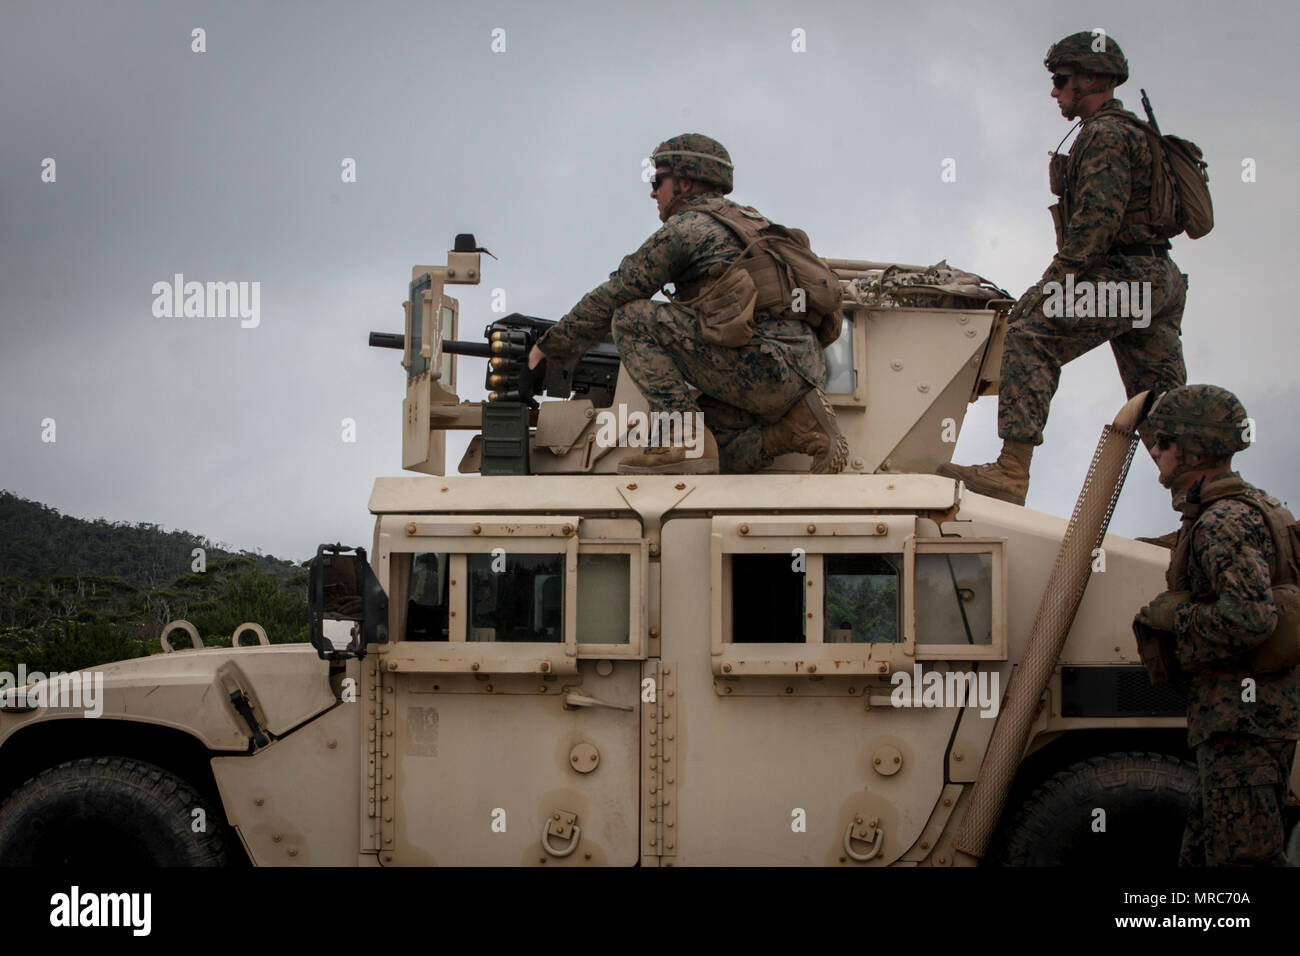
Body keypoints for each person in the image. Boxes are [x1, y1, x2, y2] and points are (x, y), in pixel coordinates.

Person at [939, 31, 1187, 505]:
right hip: (1157, 281)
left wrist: (1053, 283)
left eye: (1061, 79)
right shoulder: (1133, 131)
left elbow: (1096, 222)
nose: (1054, 91)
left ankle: (1012, 469)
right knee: (1160, 404)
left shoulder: (1105, 135)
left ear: (1091, 78)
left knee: (1030, 329)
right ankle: (1197, 509)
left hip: (1127, 280)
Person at [526, 133, 847, 475]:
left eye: (657, 180)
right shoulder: (749, 222)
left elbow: (618, 292)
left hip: (763, 362)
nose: (652, 192)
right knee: (716, 448)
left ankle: (681, 438)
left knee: (630, 318)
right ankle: (797, 429)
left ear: (686, 182)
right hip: (798, 371)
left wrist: (549, 349)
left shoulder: (688, 228)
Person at [1133, 384, 1298, 866]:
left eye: (1163, 440)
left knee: (1242, 864)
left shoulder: (1221, 522)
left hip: (1242, 724)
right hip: (1244, 724)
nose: (1155, 450)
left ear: (1194, 449)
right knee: (1205, 858)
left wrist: (1168, 615)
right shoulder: (1251, 507)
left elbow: (1250, 618)